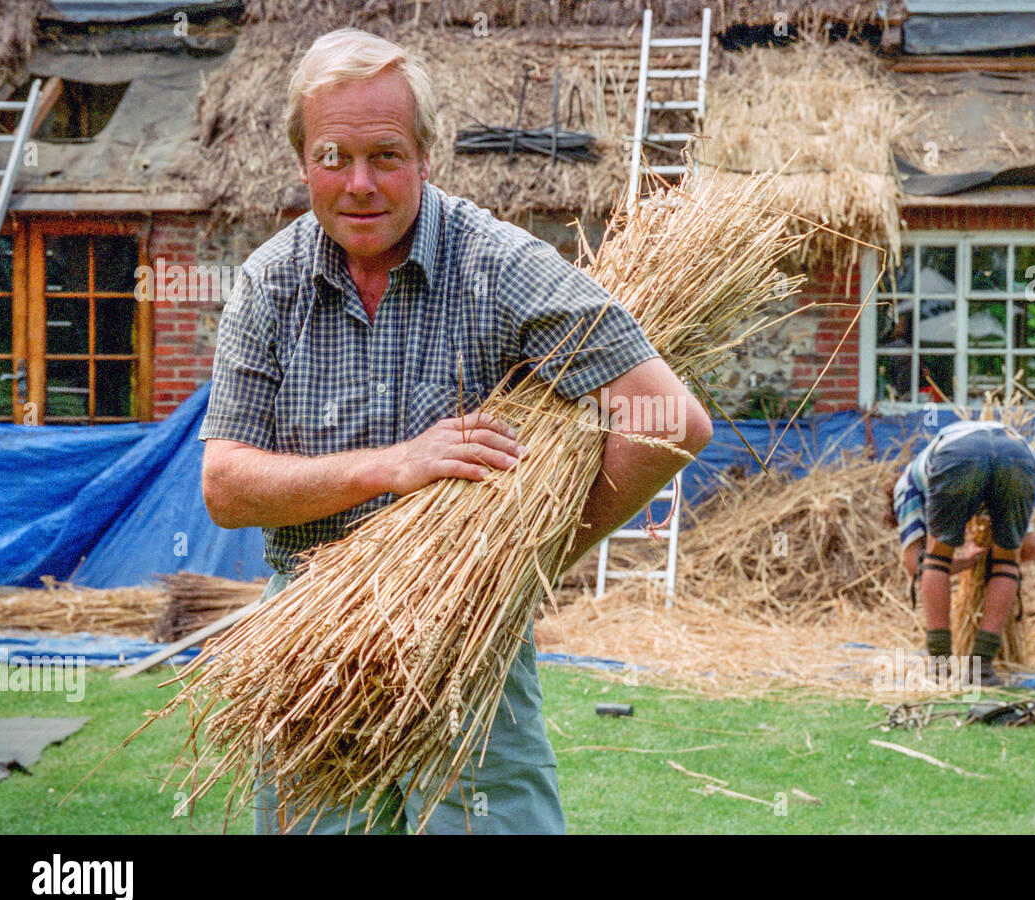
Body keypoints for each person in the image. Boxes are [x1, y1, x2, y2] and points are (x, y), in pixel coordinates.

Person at [197, 28, 712, 834]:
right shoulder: (270, 283)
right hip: (310, 636)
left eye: (386, 156)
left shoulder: (499, 267)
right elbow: (225, 487)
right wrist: (393, 467)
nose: (358, 183)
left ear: (427, 156)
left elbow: (668, 418)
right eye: (334, 157)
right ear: (303, 161)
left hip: (465, 637)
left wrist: (525, 555)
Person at [885, 419, 1035, 686]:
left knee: (936, 558)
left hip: (960, 453)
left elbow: (917, 566)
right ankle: (981, 669)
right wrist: (985, 560)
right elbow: (1033, 548)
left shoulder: (905, 486)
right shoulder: (988, 469)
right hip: (1017, 452)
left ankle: (939, 667)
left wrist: (963, 561)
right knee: (1008, 563)